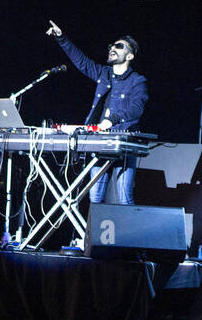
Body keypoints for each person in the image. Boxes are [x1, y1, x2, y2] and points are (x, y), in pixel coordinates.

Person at [45, 20, 147, 204]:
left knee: (124, 197)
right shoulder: (103, 73)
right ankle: (93, 234)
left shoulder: (137, 81)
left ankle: (130, 233)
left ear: (130, 55)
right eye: (111, 46)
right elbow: (81, 62)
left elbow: (136, 109)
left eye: (119, 46)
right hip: (99, 141)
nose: (112, 48)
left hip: (123, 142)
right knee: (95, 197)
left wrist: (113, 119)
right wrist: (61, 38)